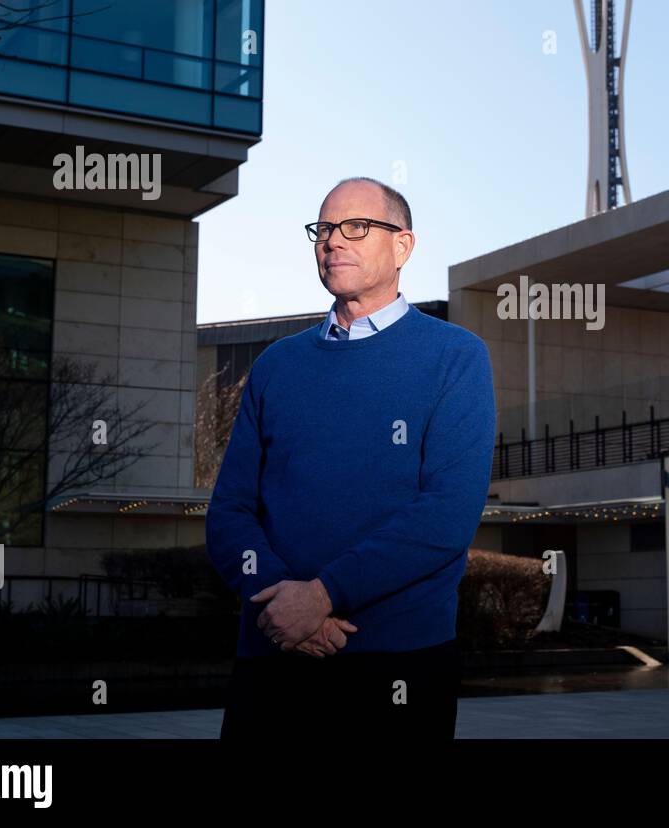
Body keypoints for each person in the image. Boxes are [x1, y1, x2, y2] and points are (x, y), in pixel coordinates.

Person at [206, 176, 496, 740]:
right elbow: (230, 512)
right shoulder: (275, 366)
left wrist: (322, 596)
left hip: (398, 669)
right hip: (271, 659)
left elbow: (447, 514)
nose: (333, 241)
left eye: (356, 227)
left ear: (403, 246)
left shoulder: (455, 358)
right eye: (324, 229)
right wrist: (282, 607)